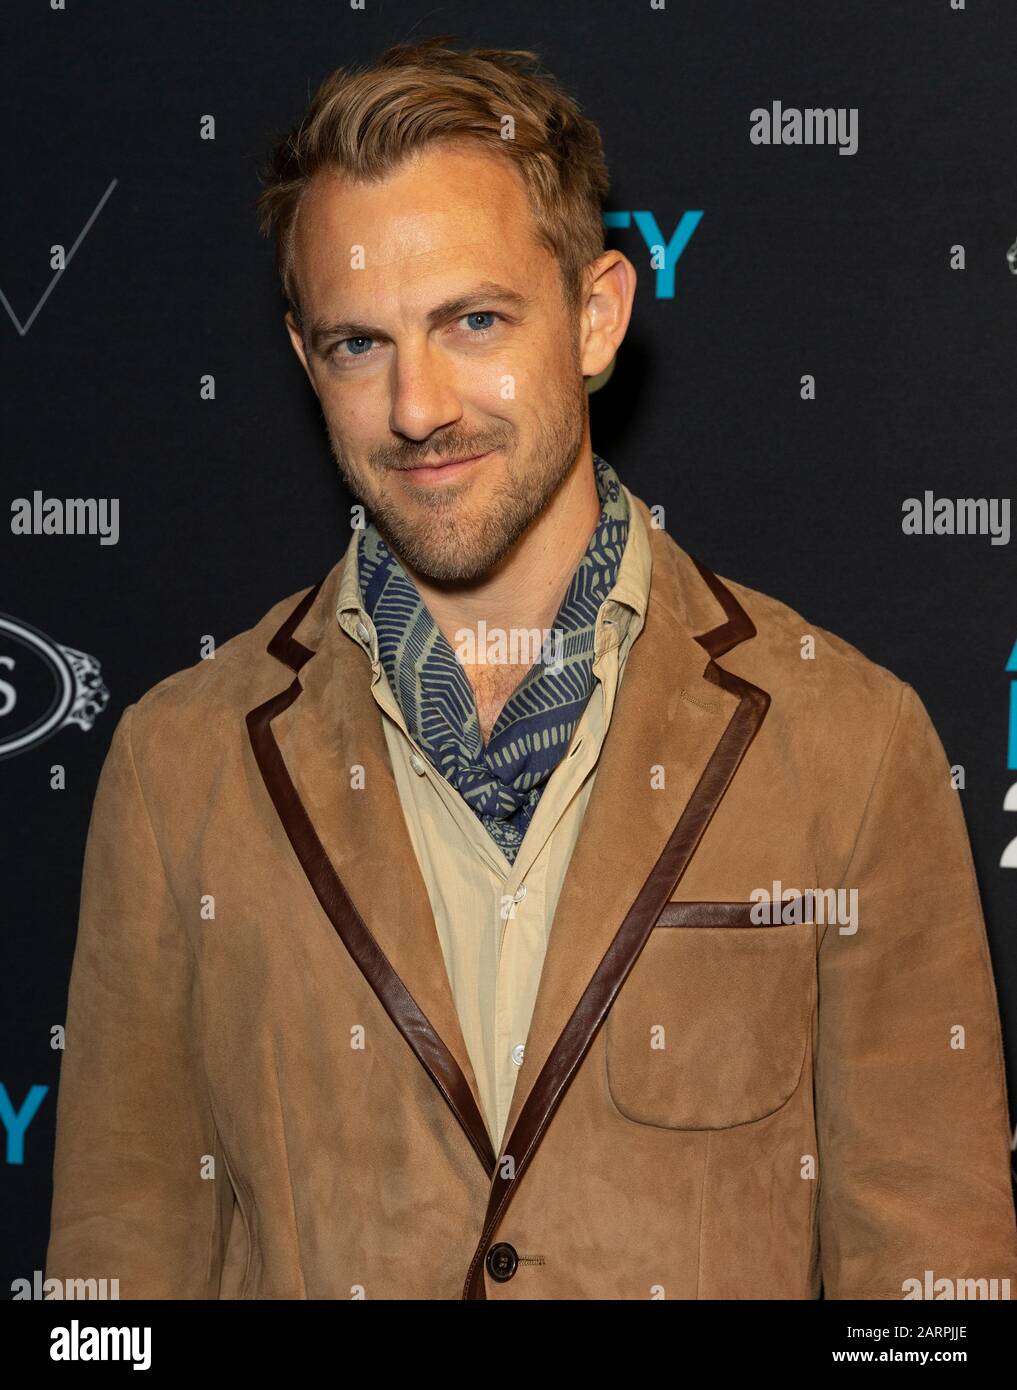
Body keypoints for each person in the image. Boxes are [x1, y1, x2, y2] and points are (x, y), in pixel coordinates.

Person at [46, 36, 1017, 1300]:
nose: (417, 405)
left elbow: (933, 1296)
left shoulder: (848, 739)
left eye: (475, 320)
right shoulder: (181, 760)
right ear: (302, 361)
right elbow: (112, 1295)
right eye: (358, 345)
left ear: (598, 314)